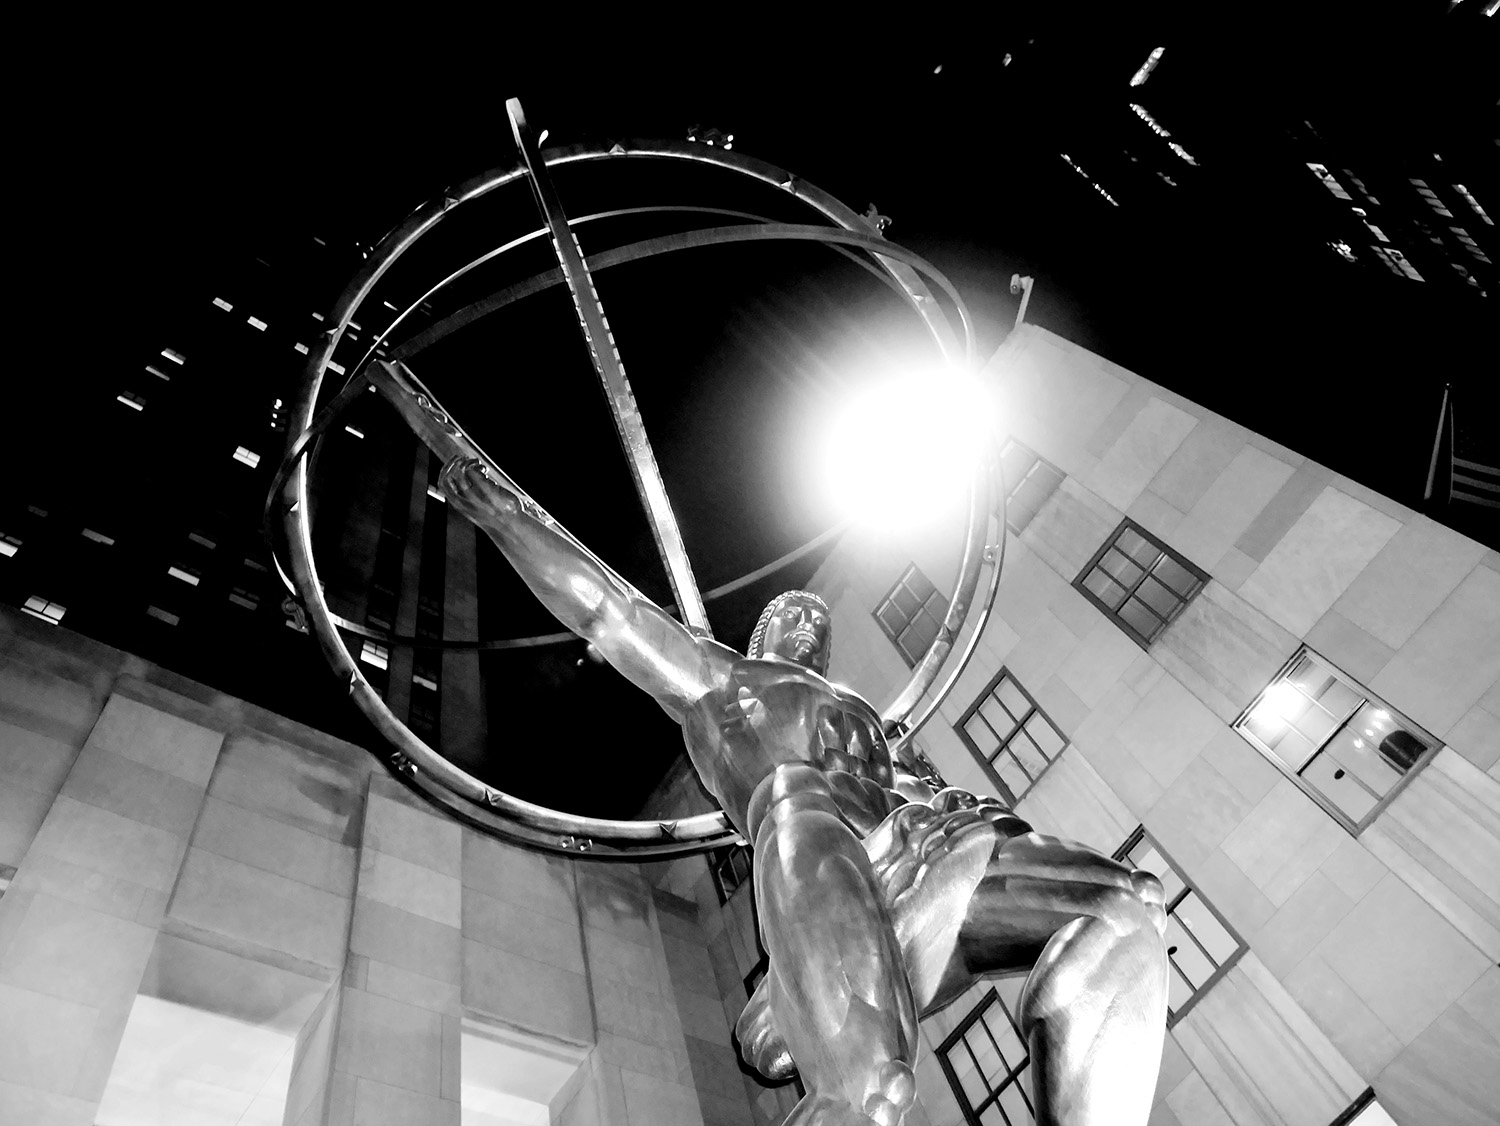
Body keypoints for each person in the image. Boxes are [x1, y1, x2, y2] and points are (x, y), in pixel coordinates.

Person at [439, 455, 1169, 1126]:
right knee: (795, 796)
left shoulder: (870, 727)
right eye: (792, 616)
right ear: (759, 639)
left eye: (818, 621)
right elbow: (608, 610)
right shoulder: (722, 682)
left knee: (1122, 906)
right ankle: (847, 1091)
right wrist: (503, 517)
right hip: (823, 899)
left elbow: (923, 792)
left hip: (928, 867)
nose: (810, 624)